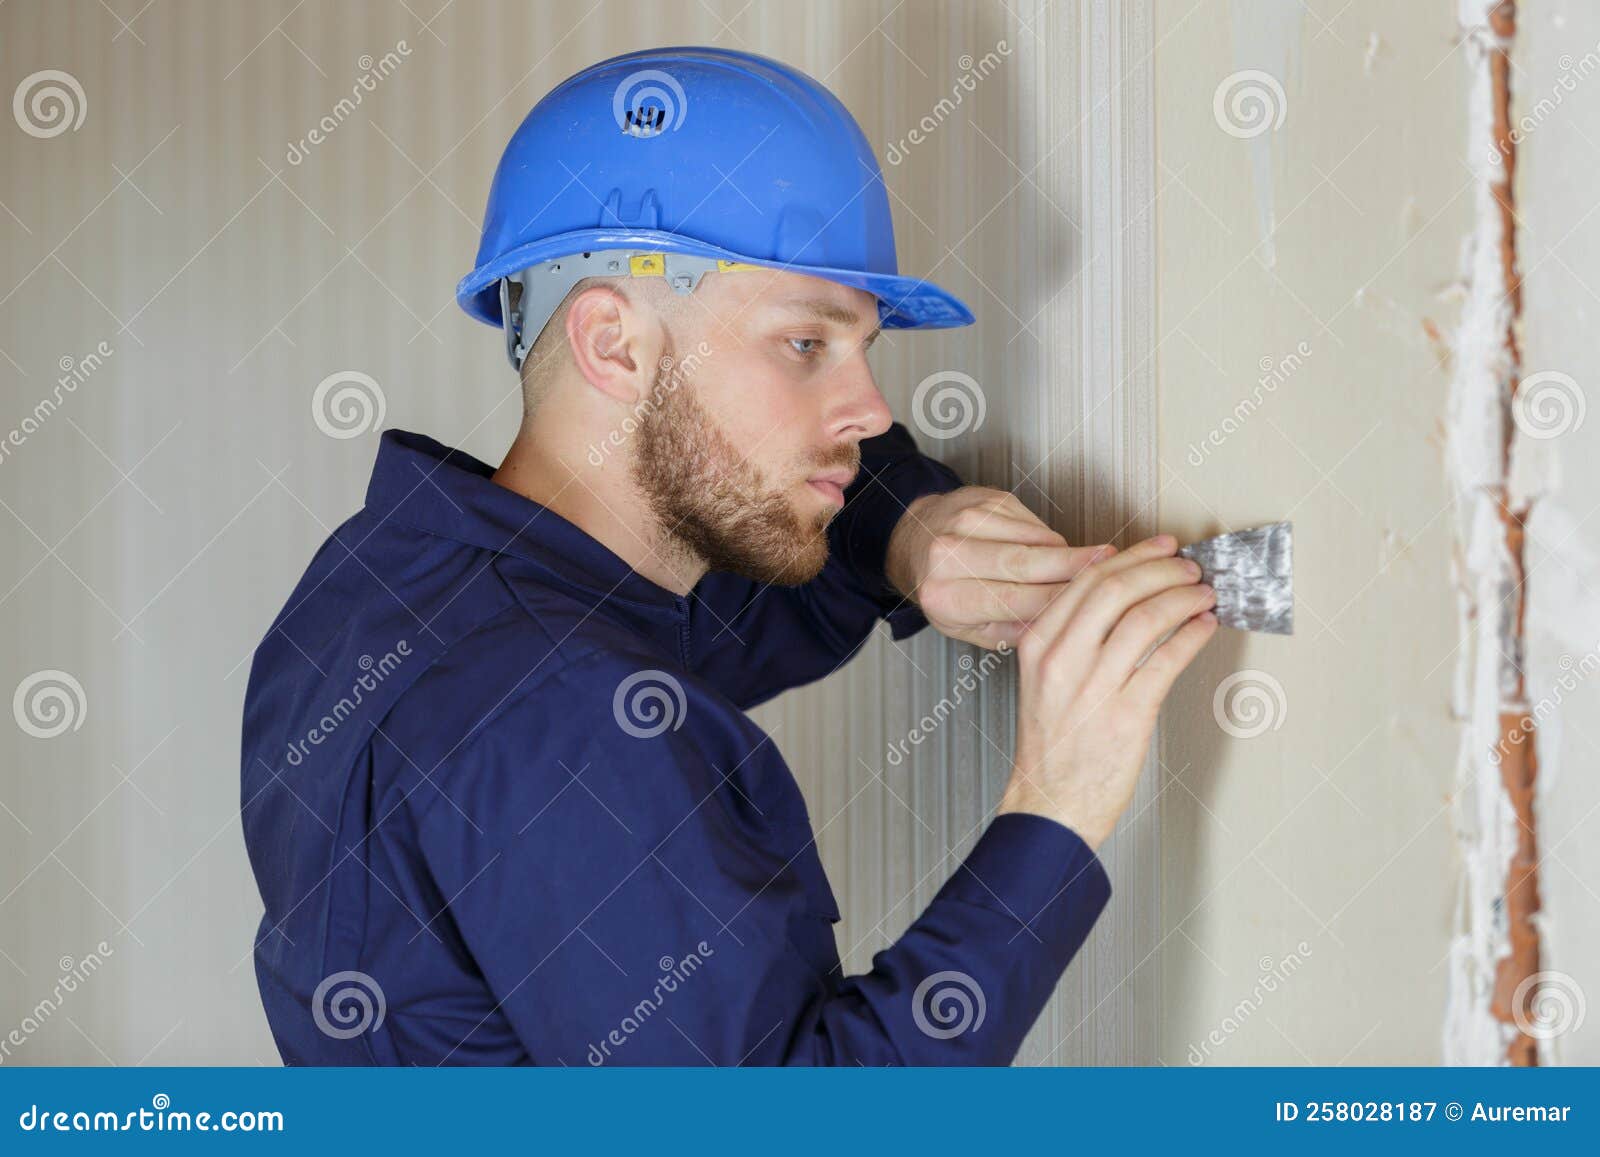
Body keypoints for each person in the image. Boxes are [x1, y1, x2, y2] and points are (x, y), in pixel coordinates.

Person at [240, 45, 1216, 1066]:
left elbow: (735, 607)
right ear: (613, 344)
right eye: (805, 343)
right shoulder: (562, 714)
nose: (871, 408)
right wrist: (1054, 802)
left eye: (865, 348)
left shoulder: (386, 590)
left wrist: (907, 531)